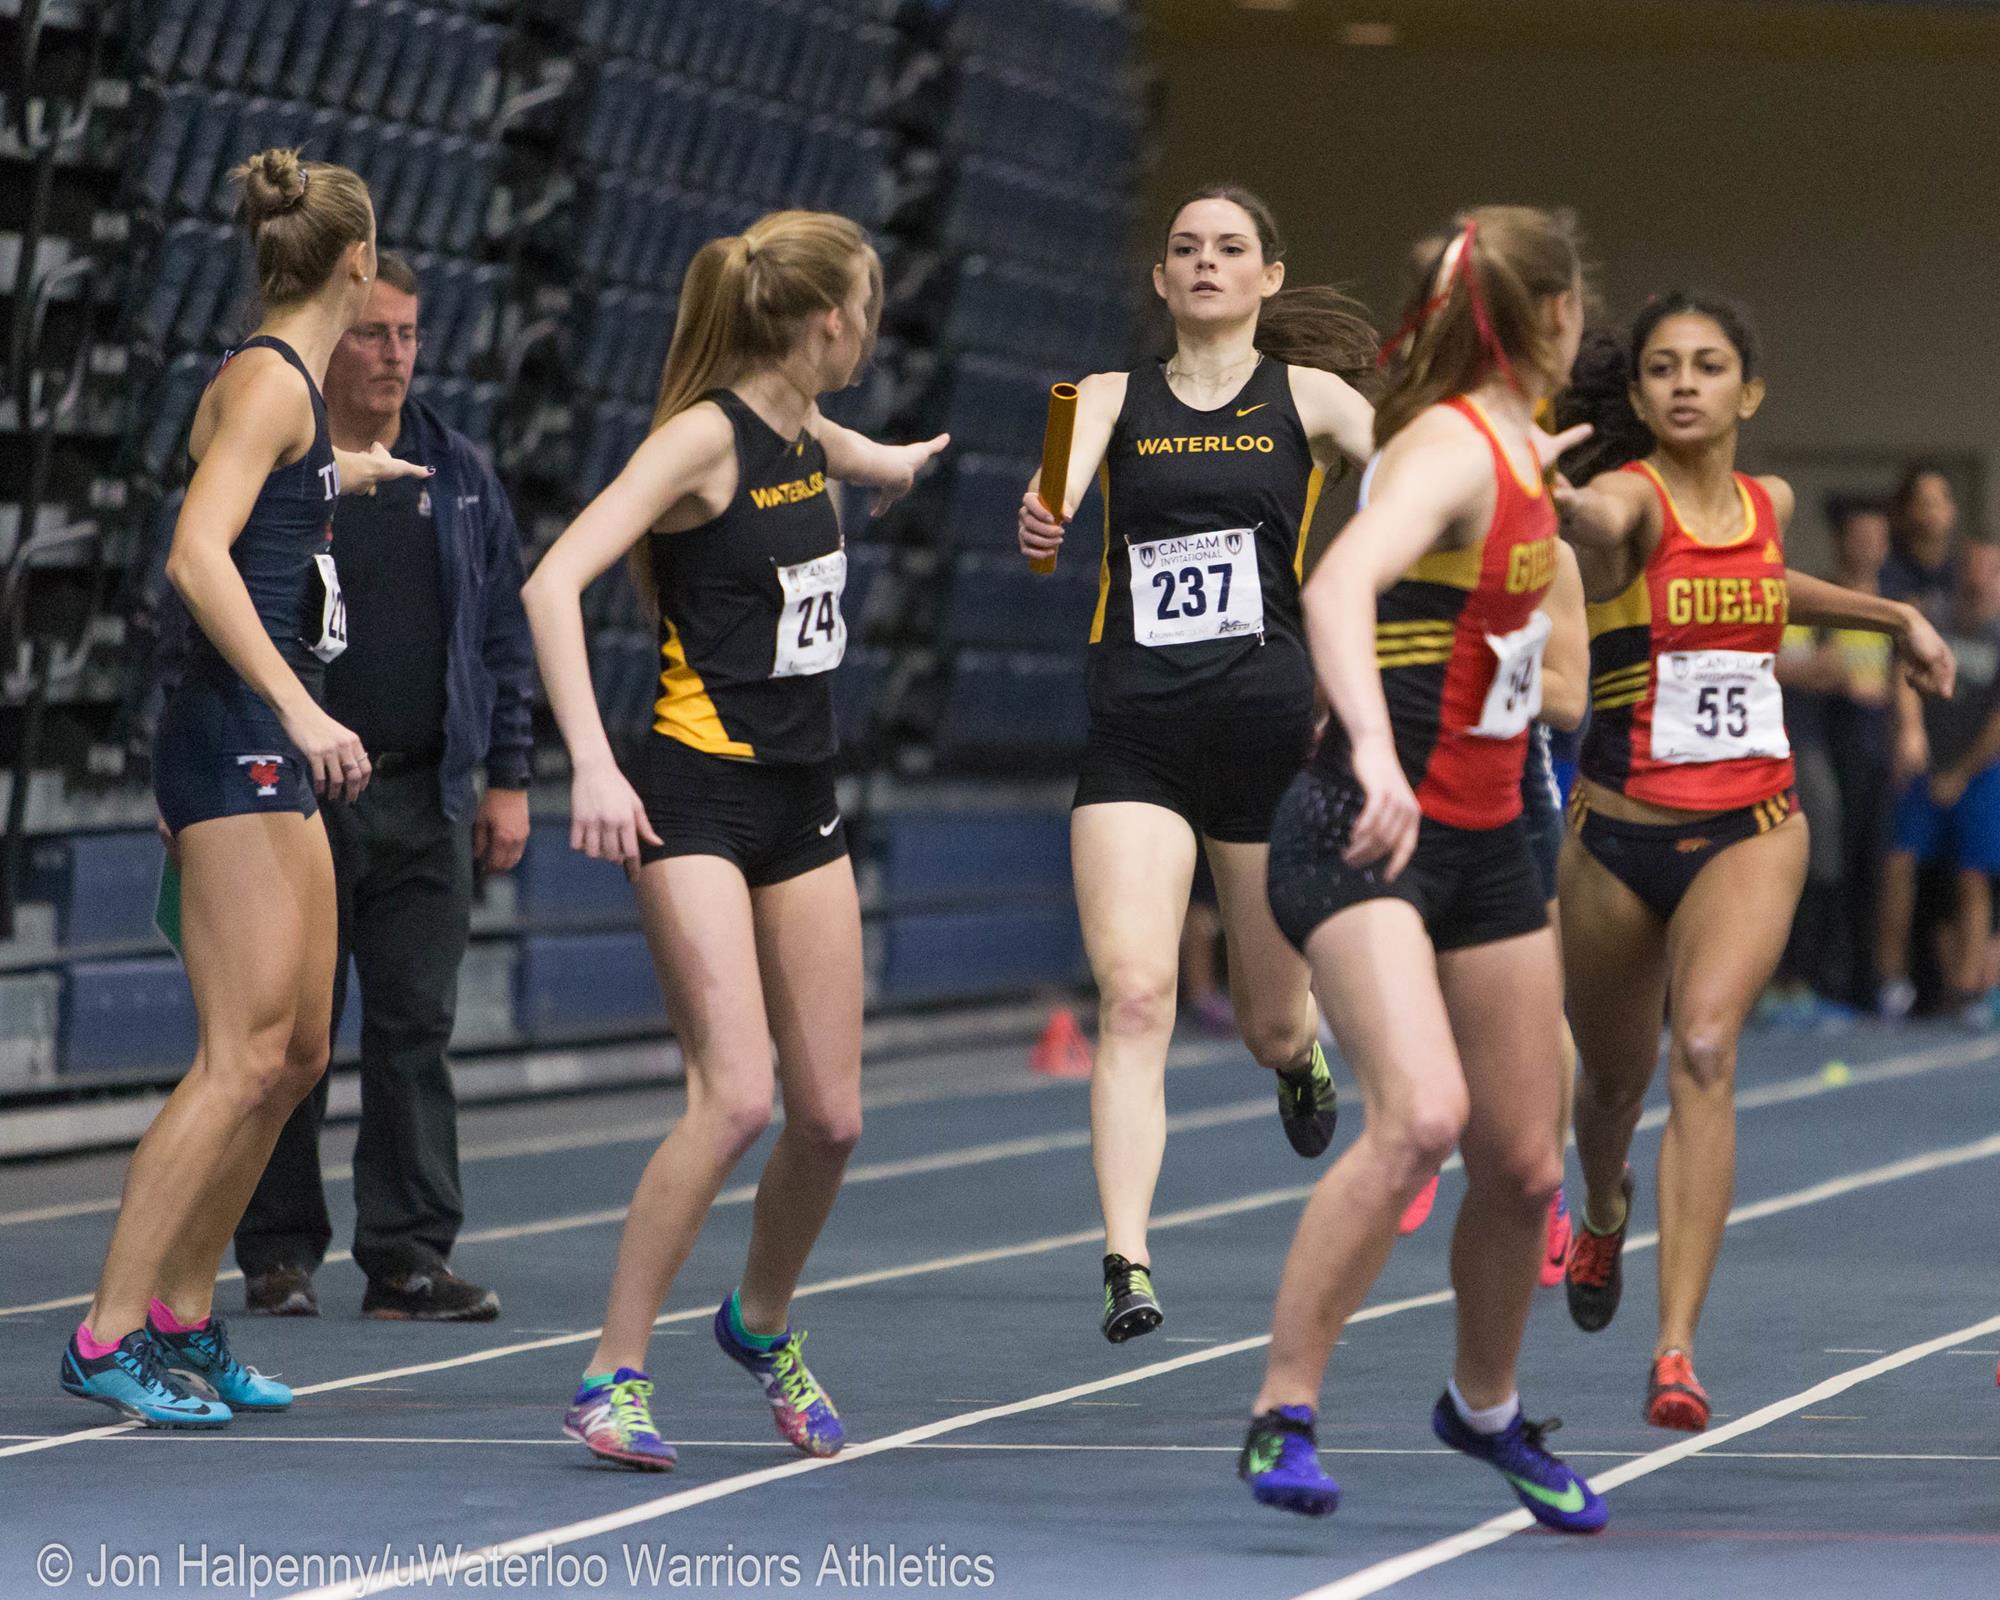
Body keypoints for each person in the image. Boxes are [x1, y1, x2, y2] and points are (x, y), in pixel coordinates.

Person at [522, 210, 947, 1471]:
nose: (870, 330)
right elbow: (553, 583)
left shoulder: (801, 426)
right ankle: (611, 1373)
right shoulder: (700, 440)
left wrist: (896, 464)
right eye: (864, 310)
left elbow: (844, 451)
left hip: (798, 799)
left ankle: (757, 1323)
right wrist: (591, 763)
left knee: (830, 1117)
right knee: (736, 1097)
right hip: (693, 796)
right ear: (825, 323)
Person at [1238, 206, 1607, 1533]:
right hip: (1366, 821)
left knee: (1522, 1163)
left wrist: (1537, 498)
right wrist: (1381, 762)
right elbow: (1340, 592)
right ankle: (1285, 1407)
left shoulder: (1508, 446)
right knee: (1423, 1117)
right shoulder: (1450, 443)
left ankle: (1486, 1409)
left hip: (1490, 834)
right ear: (1554, 316)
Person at [62, 149, 426, 1425]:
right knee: (236, 1059)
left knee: (300, 1051)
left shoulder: (295, 401)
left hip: (268, 750)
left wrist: (348, 475)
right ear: (357, 261)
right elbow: (195, 555)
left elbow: (265, 509)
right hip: (234, 742)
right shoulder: (271, 382)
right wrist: (300, 702)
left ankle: (181, 1314)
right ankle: (107, 1332)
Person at [1551, 296, 1953, 1433]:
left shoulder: (1767, 505)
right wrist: (1554, 497)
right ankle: (1600, 1207)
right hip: (1617, 837)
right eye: (1663, 369)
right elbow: (1594, 521)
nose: (1684, 383)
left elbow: (1764, 589)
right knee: (1611, 1087)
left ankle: (1673, 1352)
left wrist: (1889, 617)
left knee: (1709, 1045)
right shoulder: (1626, 498)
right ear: (1634, 399)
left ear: (1747, 390)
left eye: (1708, 365)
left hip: (1750, 822)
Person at [1017, 186, 1377, 1343]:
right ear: (1160, 281)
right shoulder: (1099, 400)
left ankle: (1300, 1056)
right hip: (1138, 735)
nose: (1205, 263)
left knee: (1271, 1024)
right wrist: (1041, 521)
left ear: (1269, 276)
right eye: (1183, 249)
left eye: (1229, 248)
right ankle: (1126, 1256)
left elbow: (1422, 470)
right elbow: (1050, 500)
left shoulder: (1313, 398)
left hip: (1270, 741)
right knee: (1135, 995)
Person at [232, 250, 535, 1322]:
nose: (396, 354)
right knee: (290, 1036)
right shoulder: (277, 455)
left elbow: (503, 631)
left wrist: (509, 776)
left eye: (409, 333)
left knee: (415, 1027)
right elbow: (191, 620)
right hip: (296, 797)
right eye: (374, 332)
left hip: (425, 794)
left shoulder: (456, 472)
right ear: (334, 336)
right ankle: (277, 1253)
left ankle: (407, 1253)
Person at [1876, 541, 2000, 1023]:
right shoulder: (1936, 616)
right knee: (1899, 864)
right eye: (1972, 566)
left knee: (1973, 876)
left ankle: (1969, 992)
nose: (1979, 577)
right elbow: (1904, 671)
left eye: (1991, 569)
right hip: (1925, 767)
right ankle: (1892, 984)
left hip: (1981, 769)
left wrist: (1961, 773)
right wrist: (1909, 731)